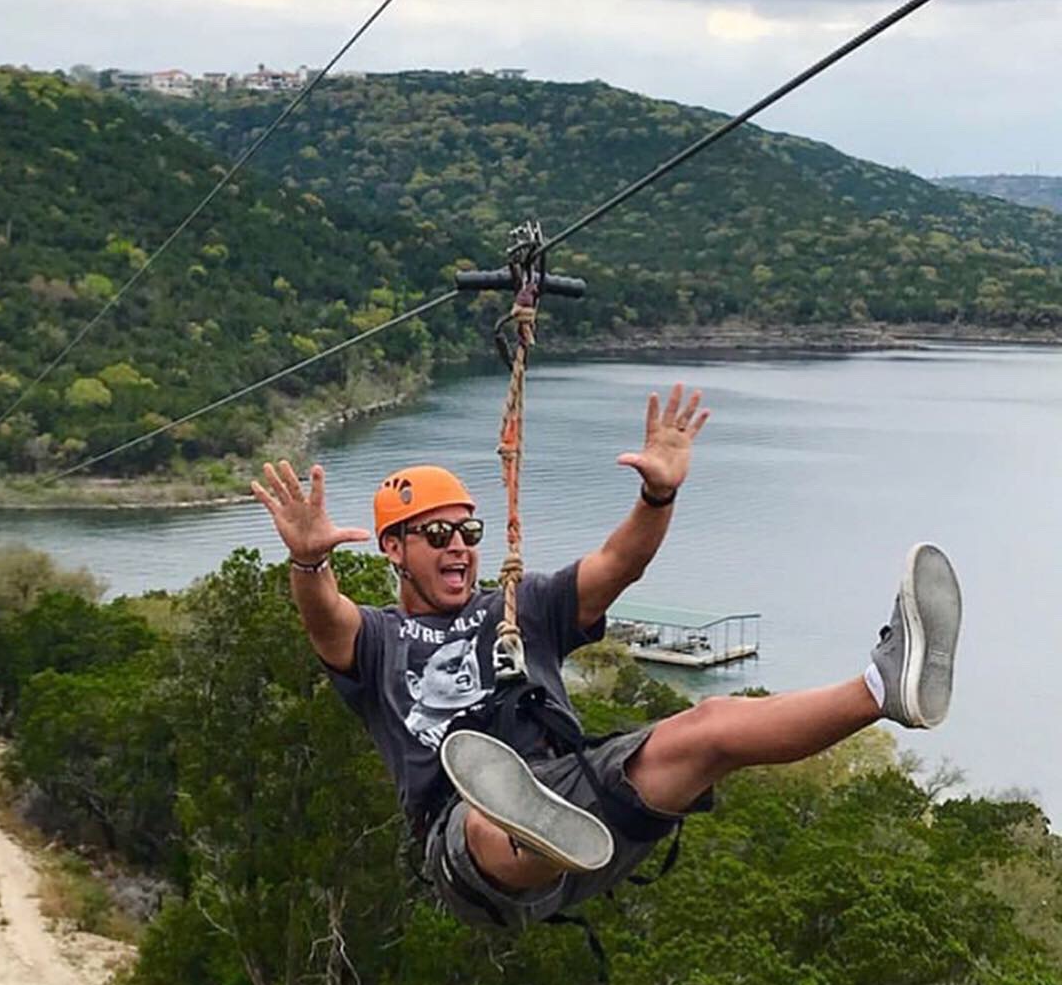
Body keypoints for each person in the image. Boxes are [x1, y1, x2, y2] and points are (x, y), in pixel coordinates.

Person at [251, 384, 962, 931]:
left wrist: (658, 493)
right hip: (464, 843)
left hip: (575, 789)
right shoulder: (376, 641)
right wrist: (308, 563)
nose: (459, 546)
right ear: (393, 550)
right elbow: (325, 619)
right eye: (435, 534)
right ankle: (527, 830)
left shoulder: (520, 605)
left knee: (709, 726)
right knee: (484, 816)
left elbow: (619, 564)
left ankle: (883, 687)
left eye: (467, 529)